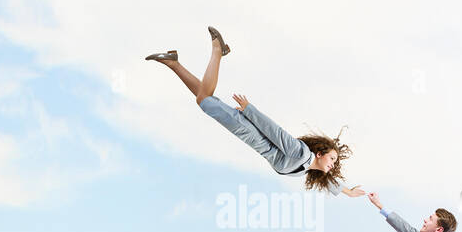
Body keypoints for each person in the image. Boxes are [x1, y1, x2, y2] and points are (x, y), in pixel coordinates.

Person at [147, 26, 364, 196]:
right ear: (320, 154)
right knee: (205, 100)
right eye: (333, 159)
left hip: (246, 133)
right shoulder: (301, 154)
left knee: (206, 99)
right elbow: (275, 131)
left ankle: (173, 63)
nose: (333, 164)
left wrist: (350, 193)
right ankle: (217, 51)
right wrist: (250, 110)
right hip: (246, 128)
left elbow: (332, 184)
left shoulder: (306, 167)